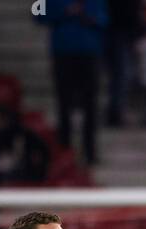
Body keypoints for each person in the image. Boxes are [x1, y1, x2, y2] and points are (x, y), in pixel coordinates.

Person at [39, 0, 107, 164]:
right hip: (63, 53)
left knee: (90, 105)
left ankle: (90, 152)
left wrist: (90, 17)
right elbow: (38, 15)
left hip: (89, 53)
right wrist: (64, 12)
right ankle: (65, 151)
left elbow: (105, 19)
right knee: (64, 103)